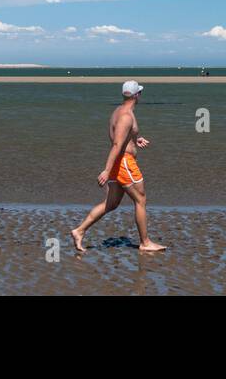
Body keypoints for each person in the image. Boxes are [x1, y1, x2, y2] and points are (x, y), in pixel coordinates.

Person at [71, 81, 166, 253]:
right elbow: (116, 143)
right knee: (141, 200)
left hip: (120, 162)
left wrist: (135, 139)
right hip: (124, 162)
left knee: (111, 203)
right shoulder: (126, 116)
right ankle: (145, 243)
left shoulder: (119, 111)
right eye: (140, 93)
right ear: (136, 95)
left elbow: (122, 136)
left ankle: (79, 231)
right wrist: (107, 170)